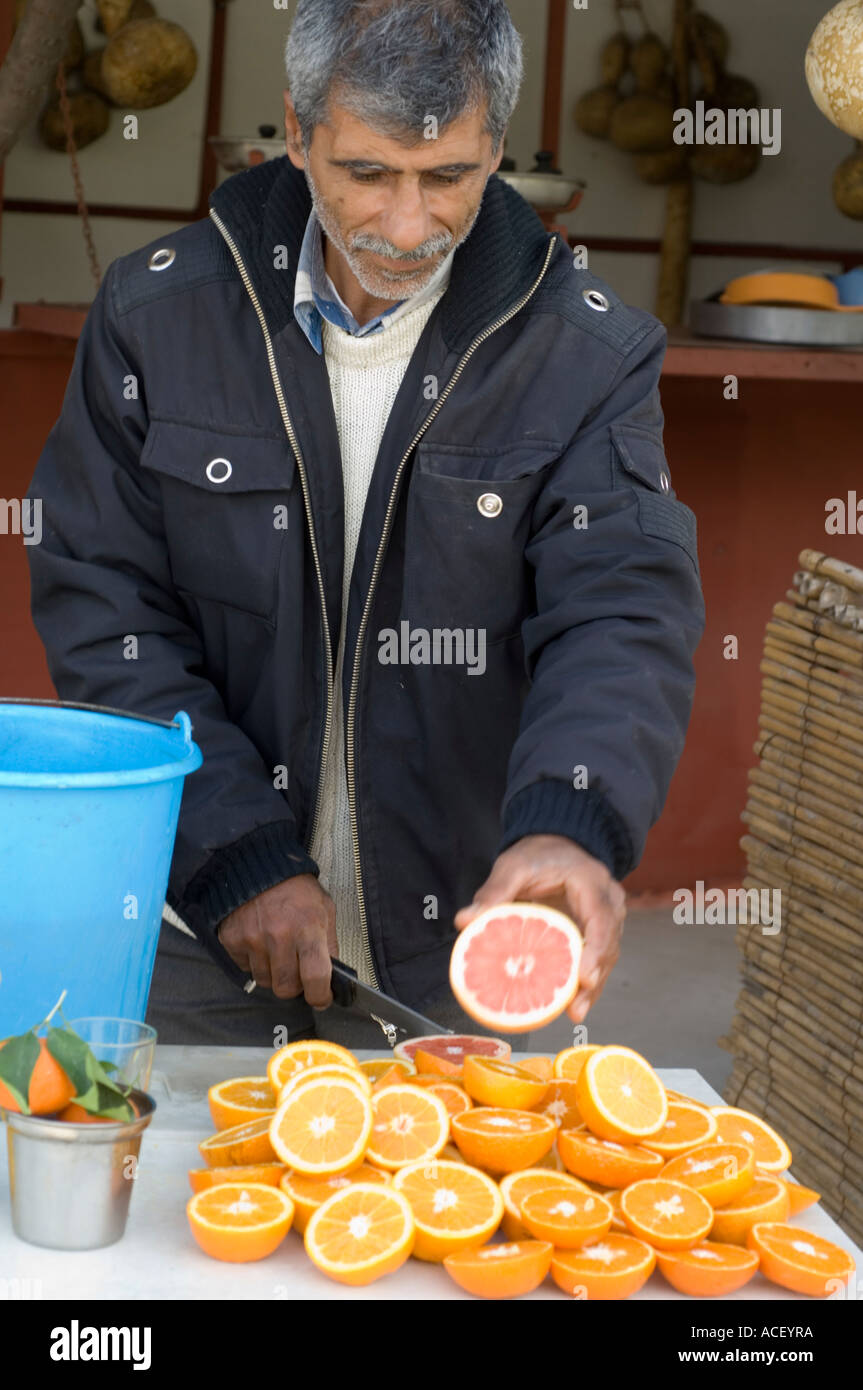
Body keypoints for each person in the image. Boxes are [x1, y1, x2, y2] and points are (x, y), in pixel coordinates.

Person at [25, 0, 705, 1050]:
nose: (404, 226)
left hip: (462, 939)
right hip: (193, 936)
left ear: (495, 149)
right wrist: (236, 851)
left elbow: (617, 612)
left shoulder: (586, 351)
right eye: (366, 172)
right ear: (294, 136)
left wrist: (570, 825)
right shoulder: (155, 316)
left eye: (447, 177)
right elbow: (107, 606)